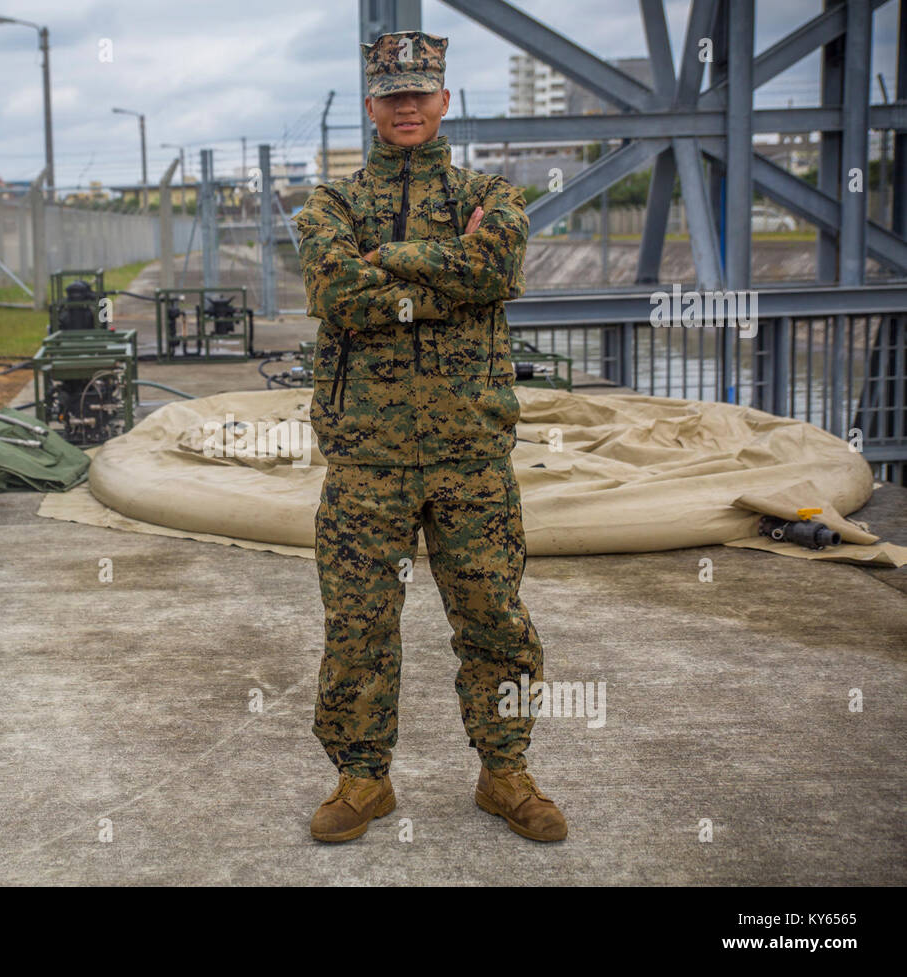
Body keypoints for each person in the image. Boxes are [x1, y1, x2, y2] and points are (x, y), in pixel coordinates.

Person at [292, 29, 566, 844]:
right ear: (371, 106)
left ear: (444, 100)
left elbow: (497, 271)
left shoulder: (493, 193)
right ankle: (361, 777)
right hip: (366, 456)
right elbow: (338, 288)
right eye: (391, 94)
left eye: (421, 92)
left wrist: (398, 259)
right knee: (359, 623)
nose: (407, 106)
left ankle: (506, 771)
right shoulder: (329, 205)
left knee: (495, 618)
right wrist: (446, 269)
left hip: (470, 454)